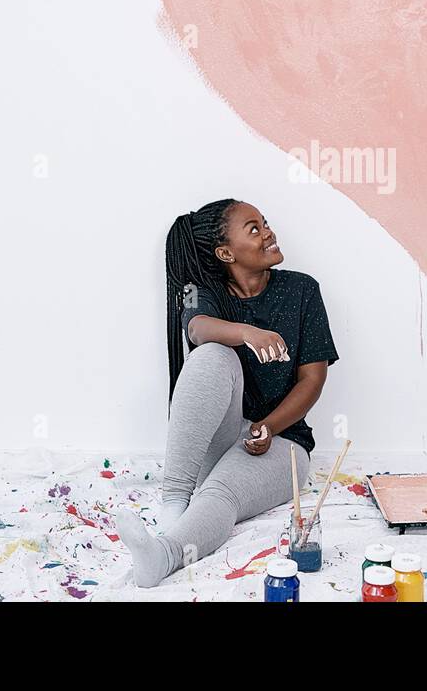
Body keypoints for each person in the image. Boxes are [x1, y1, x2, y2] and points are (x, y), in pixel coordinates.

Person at [114, 198, 338, 587]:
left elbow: (312, 380)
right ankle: (174, 502)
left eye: (265, 222)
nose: (268, 231)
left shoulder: (302, 290)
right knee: (212, 355)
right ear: (225, 252)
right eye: (254, 228)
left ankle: (163, 556)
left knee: (221, 492)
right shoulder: (208, 293)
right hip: (221, 438)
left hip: (283, 443)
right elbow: (198, 329)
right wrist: (248, 334)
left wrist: (268, 427)